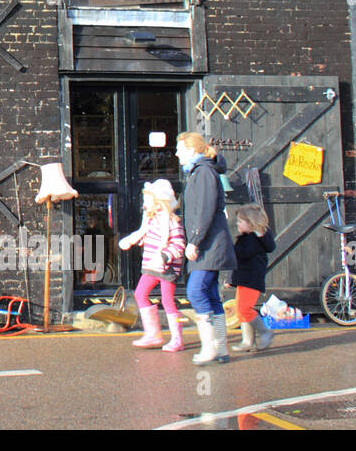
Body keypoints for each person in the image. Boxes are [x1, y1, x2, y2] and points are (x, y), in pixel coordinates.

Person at [177, 131, 237, 365]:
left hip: (208, 245)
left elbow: (204, 210)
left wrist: (194, 241)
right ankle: (220, 348)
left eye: (179, 148)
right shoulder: (201, 171)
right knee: (211, 295)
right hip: (210, 243)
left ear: (192, 150)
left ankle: (210, 348)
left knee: (195, 292)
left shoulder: (203, 173)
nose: (176, 153)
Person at [118, 179, 186, 351]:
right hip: (151, 266)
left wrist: (164, 256)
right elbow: (147, 238)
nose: (144, 204)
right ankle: (153, 333)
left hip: (166, 267)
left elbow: (179, 245)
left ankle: (177, 338)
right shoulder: (151, 221)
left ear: (158, 202)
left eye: (148, 200)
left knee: (167, 300)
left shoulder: (172, 221)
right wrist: (134, 240)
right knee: (140, 294)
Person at [228, 204, 277, 353]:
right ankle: (247, 341)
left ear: (251, 223)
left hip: (252, 280)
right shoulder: (244, 238)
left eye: (240, 221)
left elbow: (269, 246)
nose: (237, 224)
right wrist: (231, 279)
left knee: (244, 309)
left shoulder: (258, 238)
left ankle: (264, 331)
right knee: (241, 310)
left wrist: (260, 232)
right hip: (244, 279)